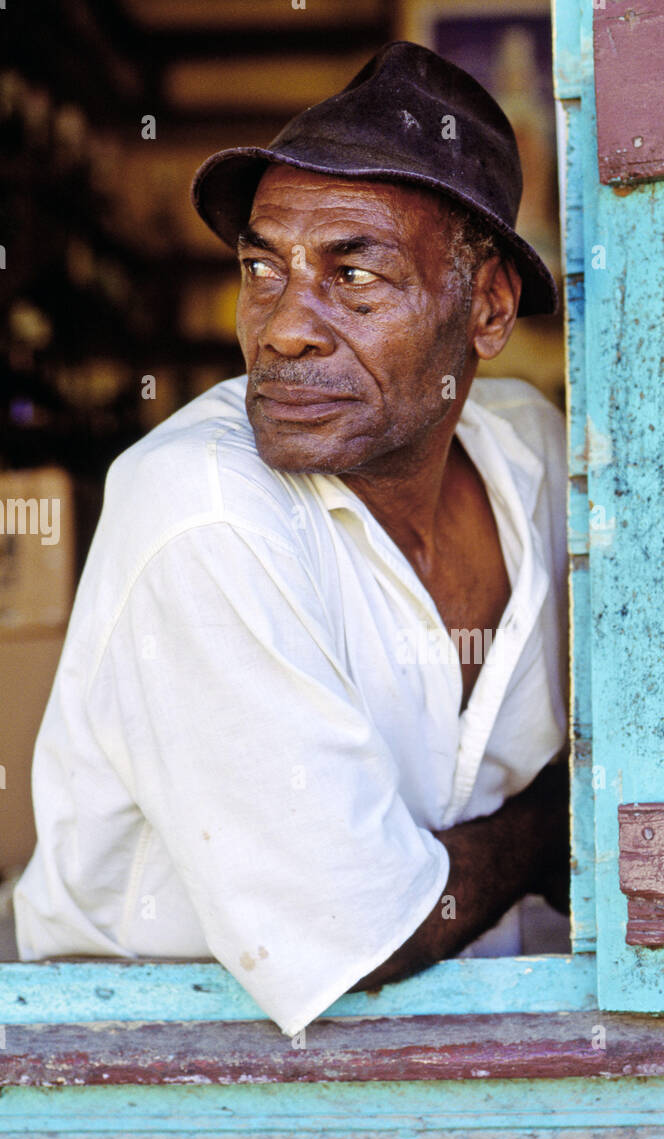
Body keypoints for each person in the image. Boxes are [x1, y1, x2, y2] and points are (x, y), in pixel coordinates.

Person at [14, 41, 570, 1037]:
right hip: (156, 1079)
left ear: (486, 308)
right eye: (262, 267)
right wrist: (549, 832)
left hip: (475, 1043)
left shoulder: (535, 458)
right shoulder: (201, 512)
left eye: (354, 274)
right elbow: (364, 931)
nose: (281, 329)